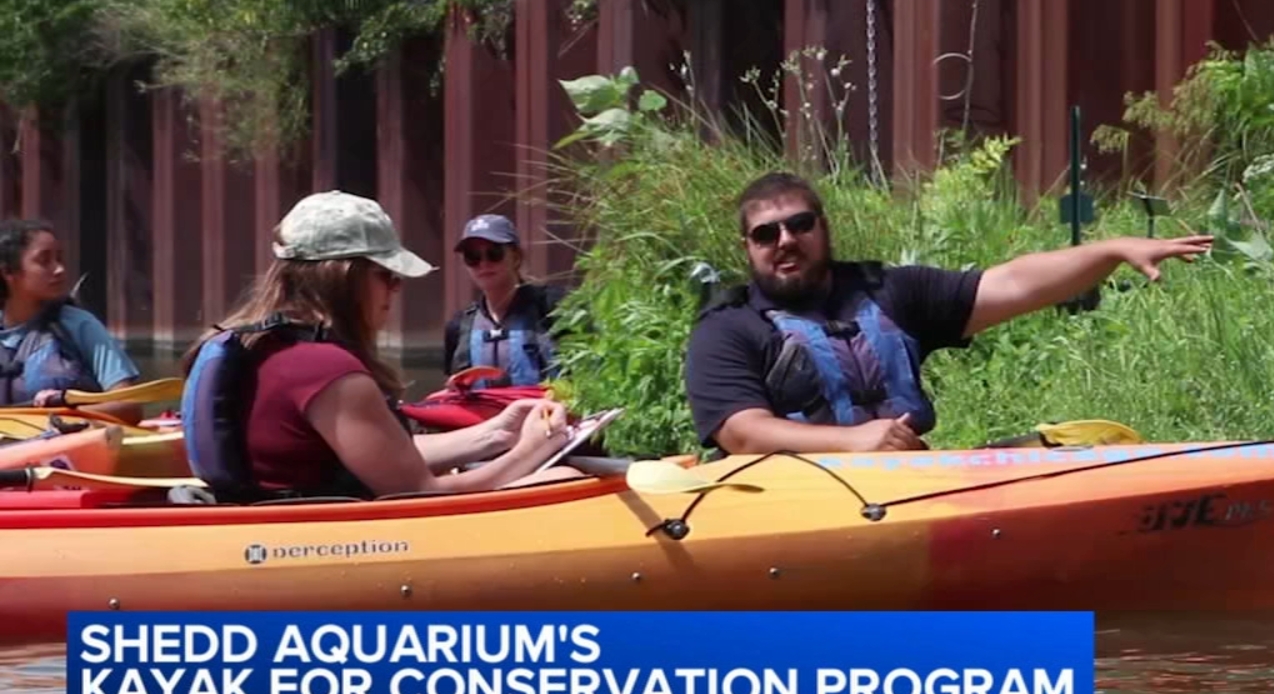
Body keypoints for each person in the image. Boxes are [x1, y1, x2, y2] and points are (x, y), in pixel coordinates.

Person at [685, 172, 1215, 455]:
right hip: (794, 500)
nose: (785, 241)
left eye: (799, 224)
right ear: (748, 247)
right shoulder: (728, 328)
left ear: (823, 228)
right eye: (766, 233)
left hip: (907, 486)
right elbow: (744, 433)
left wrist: (1110, 250)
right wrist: (853, 441)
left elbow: (1013, 283)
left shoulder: (893, 292)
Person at [179, 190, 584, 503]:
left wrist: (496, 433)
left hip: (274, 521)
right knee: (565, 482)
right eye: (386, 275)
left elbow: (389, 454)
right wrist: (534, 449)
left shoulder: (267, 345)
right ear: (345, 276)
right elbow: (419, 494)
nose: (395, 290)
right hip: (325, 543)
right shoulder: (324, 369)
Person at [0, 218, 143, 424]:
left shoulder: (79, 325)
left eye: (59, 259)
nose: (59, 269)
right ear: (8, 273)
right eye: (44, 261)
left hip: (68, 444)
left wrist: (66, 417)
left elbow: (130, 407)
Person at [443, 214, 568, 390]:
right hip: (486, 418)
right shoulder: (459, 325)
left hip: (544, 415)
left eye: (494, 254)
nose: (483, 264)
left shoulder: (554, 307)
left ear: (516, 257)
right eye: (473, 257)